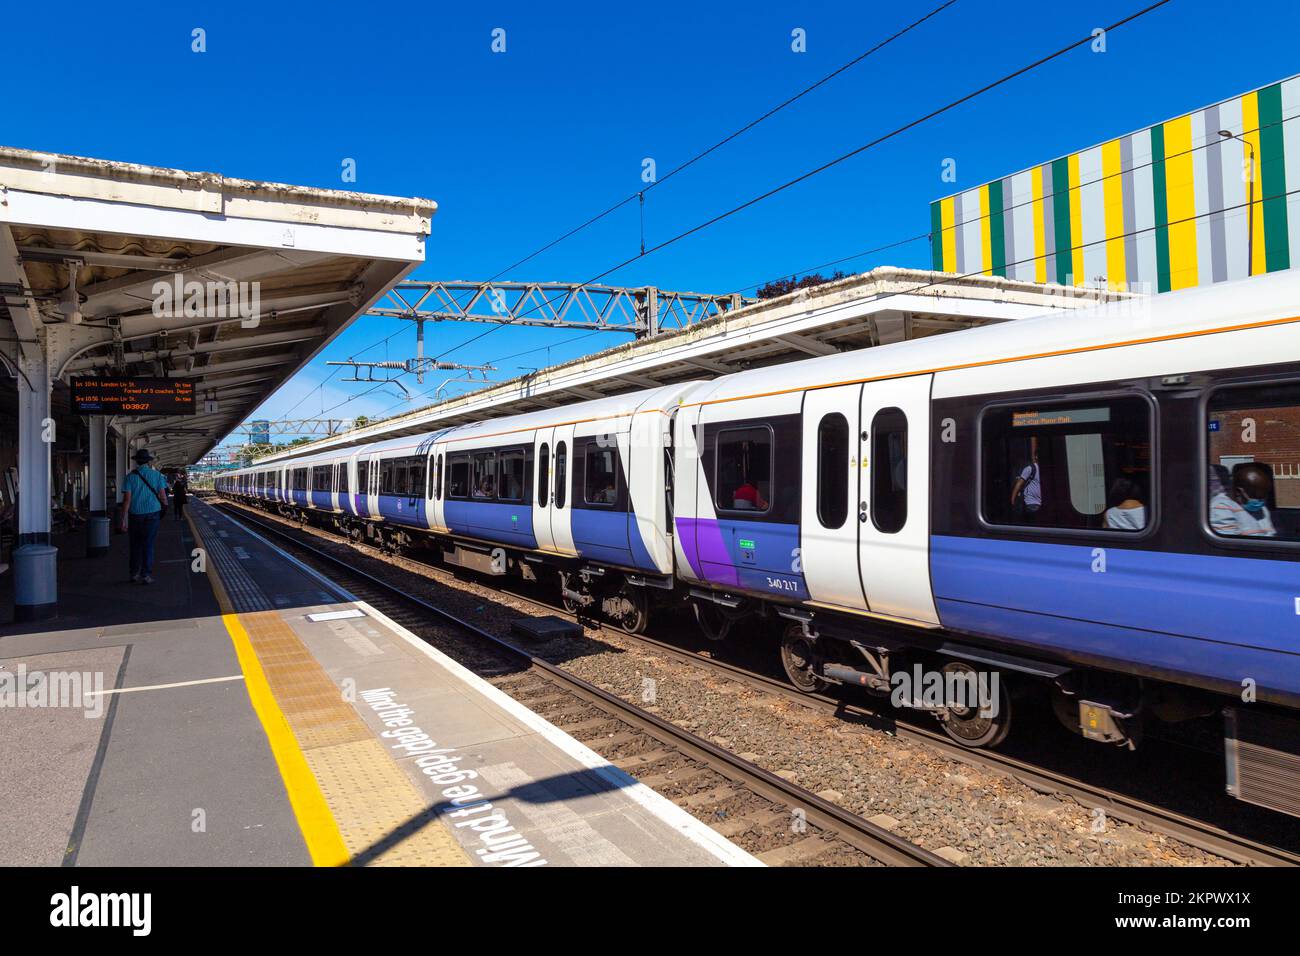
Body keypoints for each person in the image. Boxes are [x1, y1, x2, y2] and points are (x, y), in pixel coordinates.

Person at [118, 448, 169, 584]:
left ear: (137, 462)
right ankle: (145, 575)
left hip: (135, 515)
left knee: (135, 545)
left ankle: (133, 574)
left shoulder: (130, 477)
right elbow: (163, 497)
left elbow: (126, 501)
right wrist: (164, 508)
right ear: (148, 462)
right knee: (148, 545)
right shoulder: (157, 476)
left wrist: (123, 520)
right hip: (153, 514)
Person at [1210, 462, 1276, 538]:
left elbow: (1270, 534)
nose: (1260, 501)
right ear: (1239, 492)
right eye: (1255, 496)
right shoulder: (1221, 507)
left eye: (1262, 497)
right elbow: (1228, 543)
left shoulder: (1262, 509)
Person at [1010, 438, 1042, 522]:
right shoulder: (1031, 468)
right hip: (1031, 503)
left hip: (1040, 503)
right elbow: (1019, 484)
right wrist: (1013, 500)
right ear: (1036, 456)